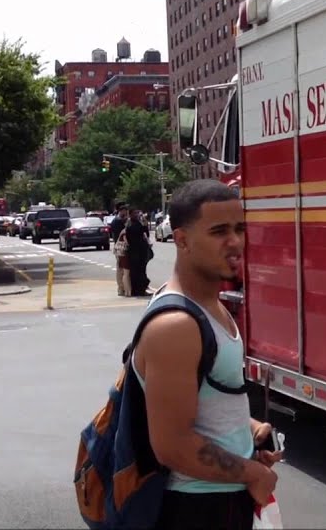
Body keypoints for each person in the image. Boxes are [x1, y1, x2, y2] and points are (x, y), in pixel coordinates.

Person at [130, 179, 280, 529]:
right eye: (218, 232)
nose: (235, 242)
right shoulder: (177, 325)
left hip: (223, 497)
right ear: (181, 240)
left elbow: (201, 408)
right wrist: (253, 473)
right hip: (197, 507)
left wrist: (249, 431)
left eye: (239, 229)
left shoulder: (210, 307)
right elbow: (173, 444)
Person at [125, 209, 154, 297]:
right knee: (138, 272)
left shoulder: (133, 224)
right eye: (135, 213)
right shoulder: (133, 224)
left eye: (137, 213)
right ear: (130, 215)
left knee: (138, 271)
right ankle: (139, 290)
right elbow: (143, 233)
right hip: (136, 251)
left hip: (137, 251)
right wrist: (144, 225)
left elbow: (146, 234)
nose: (137, 215)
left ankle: (138, 290)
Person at [110, 203, 130, 297]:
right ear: (120, 211)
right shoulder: (117, 221)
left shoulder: (121, 220)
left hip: (121, 247)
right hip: (120, 248)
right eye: (124, 211)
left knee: (122, 269)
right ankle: (121, 288)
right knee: (120, 269)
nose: (125, 213)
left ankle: (123, 288)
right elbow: (120, 234)